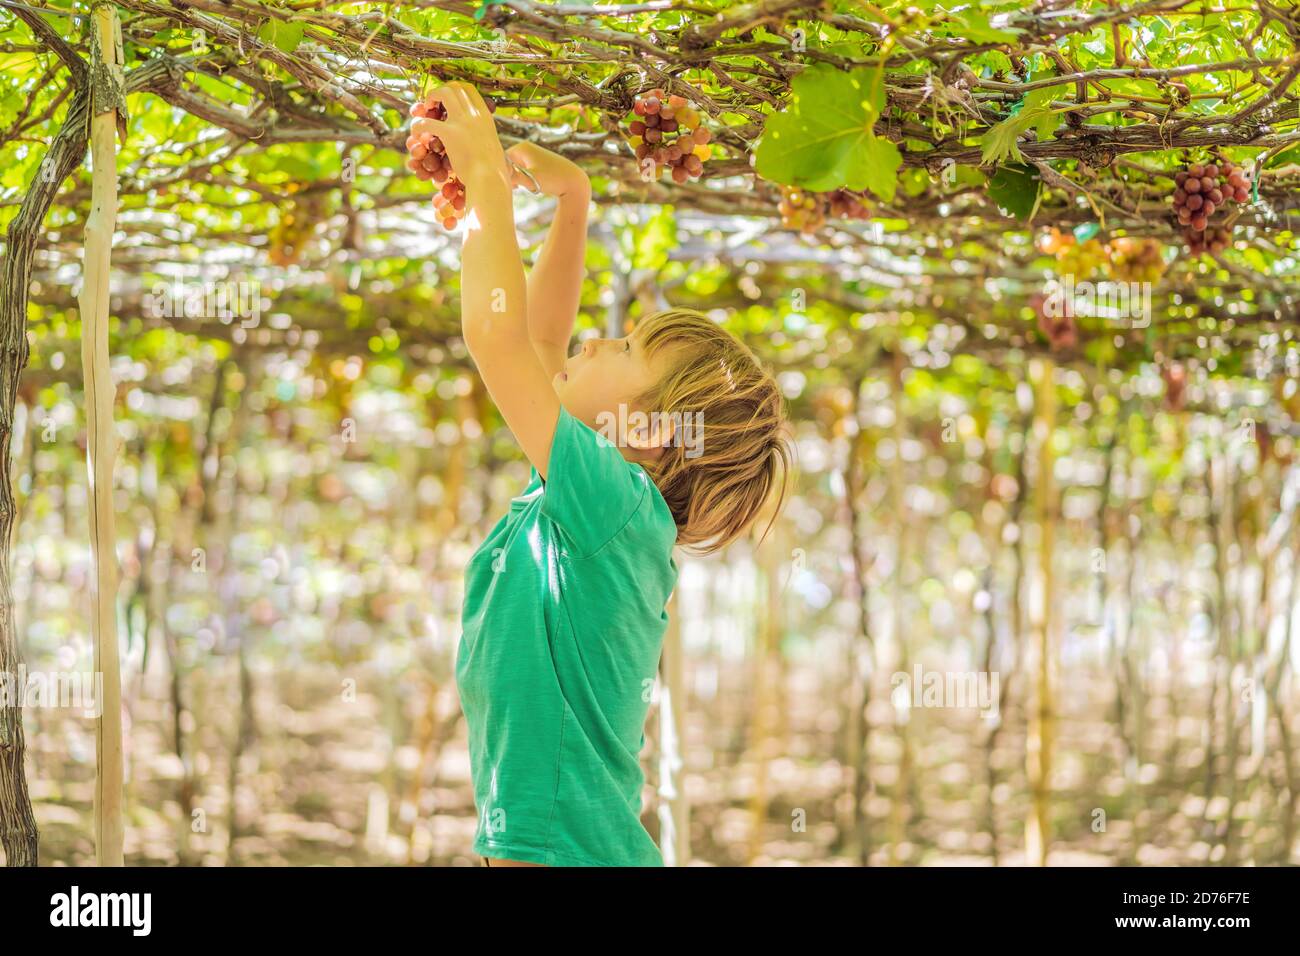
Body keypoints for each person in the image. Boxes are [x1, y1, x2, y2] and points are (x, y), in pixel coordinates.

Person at [415, 82, 792, 867]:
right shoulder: (585, 505)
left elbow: (498, 341)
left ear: (649, 432)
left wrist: (485, 178)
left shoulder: (616, 510)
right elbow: (537, 342)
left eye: (621, 350)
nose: (594, 342)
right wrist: (572, 206)